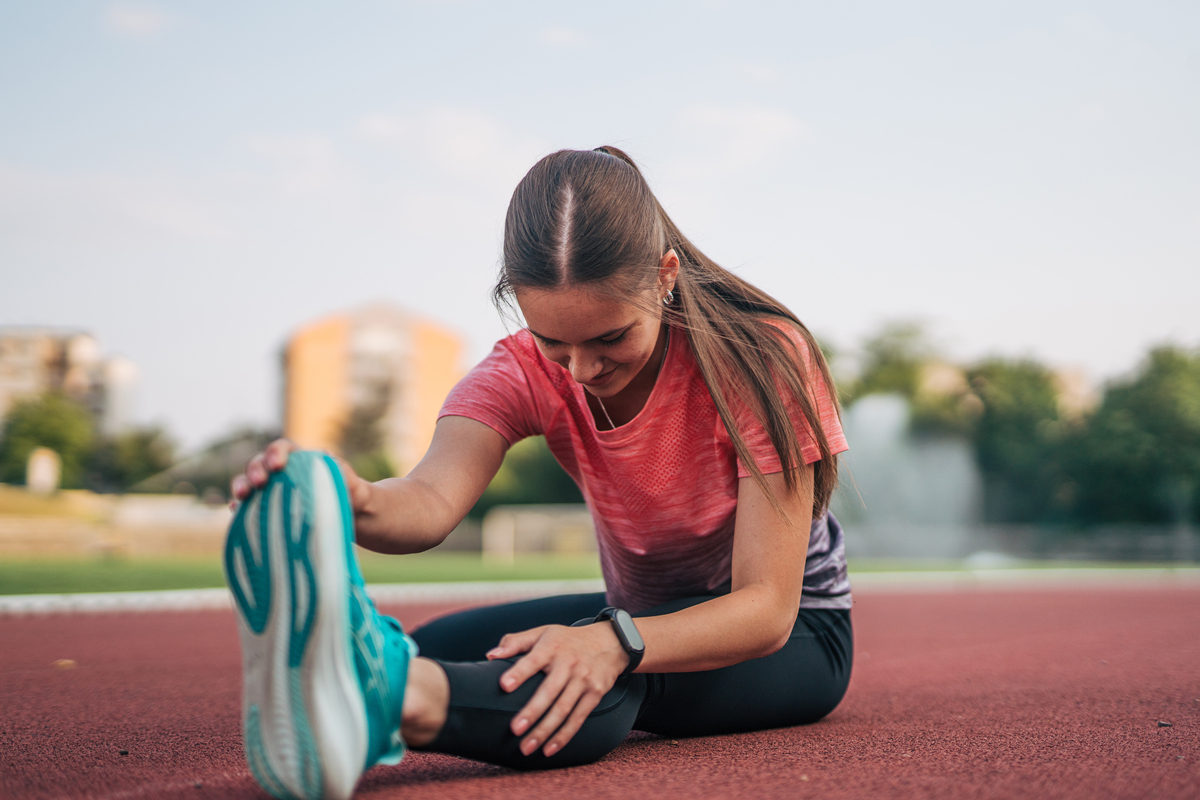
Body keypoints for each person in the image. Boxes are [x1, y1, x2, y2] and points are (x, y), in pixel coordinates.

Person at [225, 146, 853, 800]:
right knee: (438, 647)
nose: (581, 371)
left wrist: (613, 641)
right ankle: (368, 678)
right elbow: (429, 501)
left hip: (793, 636)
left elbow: (765, 610)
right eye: (555, 343)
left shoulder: (759, 357)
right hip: (642, 610)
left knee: (595, 666)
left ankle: (391, 699)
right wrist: (343, 497)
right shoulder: (520, 370)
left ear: (665, 276)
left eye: (611, 337)